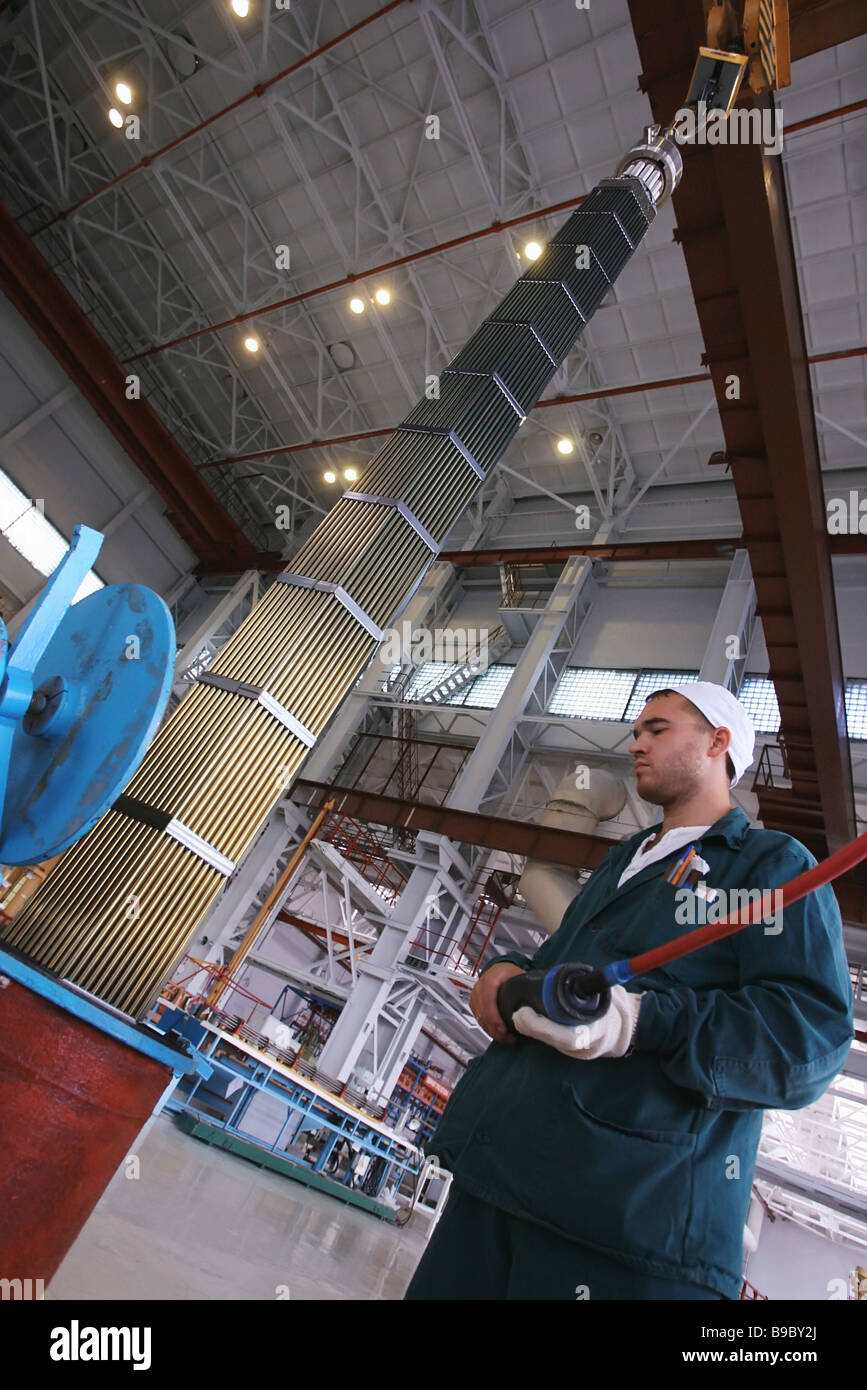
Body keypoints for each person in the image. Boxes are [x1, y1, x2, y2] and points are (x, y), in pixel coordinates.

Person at [404, 682, 853, 1300]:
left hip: (625, 1230)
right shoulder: (625, 861)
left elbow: (806, 1039)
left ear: (718, 742)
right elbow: (567, 967)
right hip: (495, 1183)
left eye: (656, 729)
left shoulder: (768, 868)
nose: (634, 742)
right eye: (636, 729)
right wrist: (505, 972)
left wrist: (643, 1022)